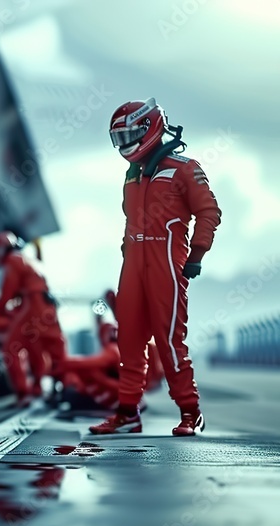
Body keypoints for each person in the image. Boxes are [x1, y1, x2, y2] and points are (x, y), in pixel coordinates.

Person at [91, 98, 221, 436]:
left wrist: (197, 255)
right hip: (133, 269)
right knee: (129, 343)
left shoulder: (185, 167)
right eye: (118, 138)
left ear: (150, 127)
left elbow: (209, 212)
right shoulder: (131, 175)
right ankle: (127, 414)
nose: (125, 144)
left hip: (167, 266)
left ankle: (191, 413)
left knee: (169, 343)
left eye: (130, 134)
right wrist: (126, 252)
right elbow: (129, 221)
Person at [0, 231, 66, 404]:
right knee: (40, 347)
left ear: (0, 250)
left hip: (33, 306)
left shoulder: (14, 261)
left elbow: (6, 296)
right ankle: (48, 386)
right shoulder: (29, 260)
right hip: (48, 307)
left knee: (12, 347)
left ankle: (23, 393)